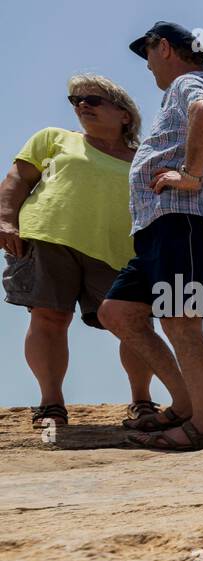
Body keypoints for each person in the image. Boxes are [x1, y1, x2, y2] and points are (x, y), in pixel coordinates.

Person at [97, 21, 203, 451]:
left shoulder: (188, 84)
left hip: (185, 219)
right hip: (163, 225)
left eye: (146, 55)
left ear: (163, 48)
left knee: (180, 319)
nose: (146, 66)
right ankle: (184, 405)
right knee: (117, 312)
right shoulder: (186, 88)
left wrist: (191, 175)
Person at [1, 74, 156, 427]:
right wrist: (5, 220)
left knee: (135, 324)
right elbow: (17, 179)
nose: (83, 105)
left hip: (120, 250)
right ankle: (51, 405)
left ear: (124, 115)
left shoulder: (143, 159)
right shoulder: (54, 139)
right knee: (49, 317)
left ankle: (142, 403)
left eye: (94, 99)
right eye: (77, 100)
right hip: (47, 236)